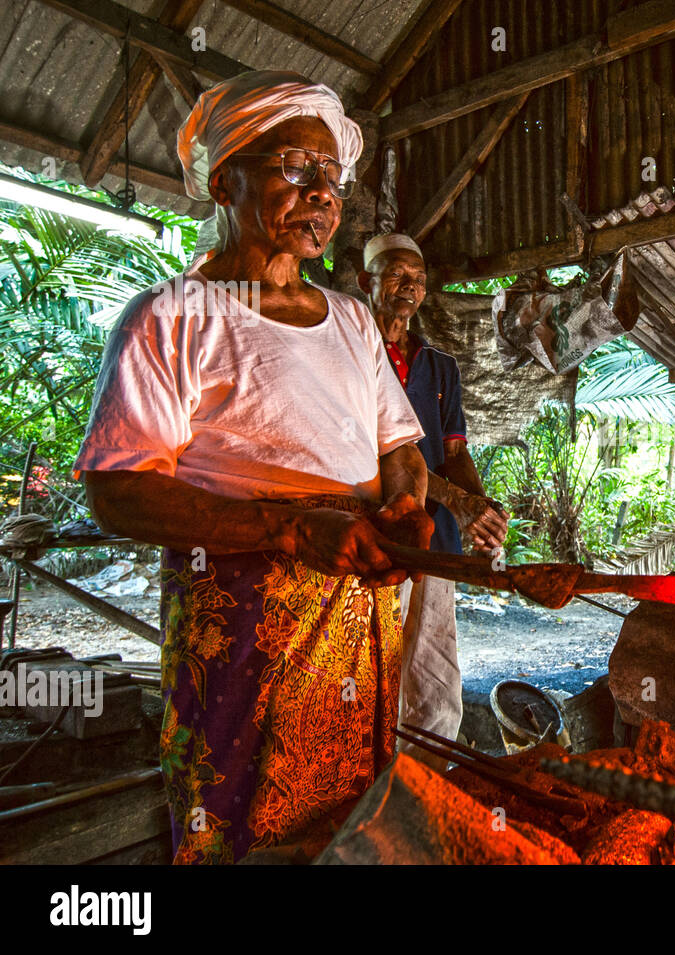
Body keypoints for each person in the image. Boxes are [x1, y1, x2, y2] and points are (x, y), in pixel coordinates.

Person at [72, 71, 435, 864]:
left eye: (331, 179)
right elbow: (117, 487)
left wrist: (406, 508)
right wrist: (283, 529)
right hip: (242, 631)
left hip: (356, 623)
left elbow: (400, 449)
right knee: (242, 825)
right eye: (296, 168)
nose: (321, 194)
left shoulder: (352, 321)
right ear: (225, 176)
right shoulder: (170, 317)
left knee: (350, 824)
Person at [357, 233, 507, 754]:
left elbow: (453, 451)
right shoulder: (352, 355)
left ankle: (428, 766)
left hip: (435, 537)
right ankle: (365, 765)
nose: (410, 288)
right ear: (364, 282)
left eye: (418, 280)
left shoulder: (439, 366)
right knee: (369, 655)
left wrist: (482, 510)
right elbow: (379, 456)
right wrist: (461, 504)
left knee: (432, 656)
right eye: (397, 275)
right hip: (373, 533)